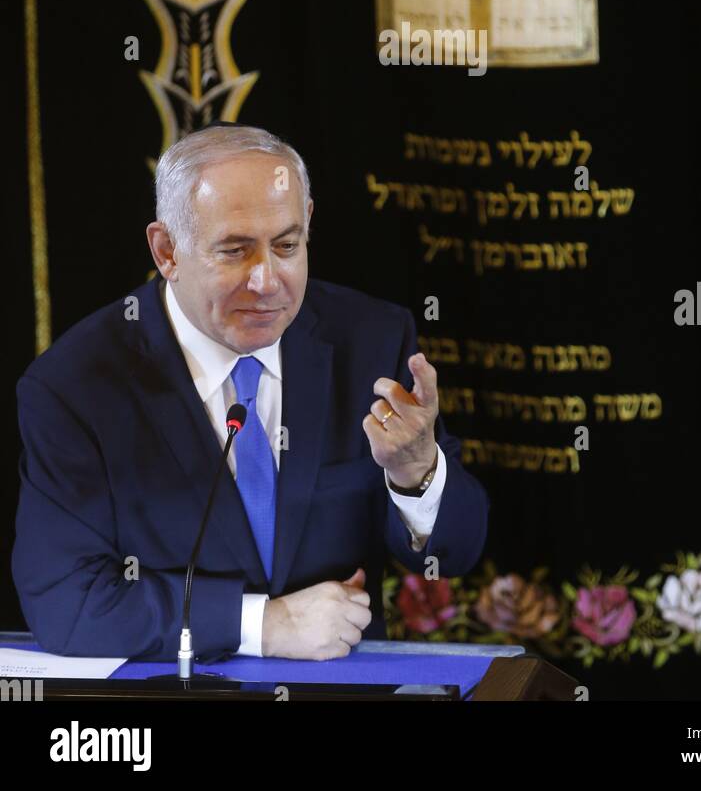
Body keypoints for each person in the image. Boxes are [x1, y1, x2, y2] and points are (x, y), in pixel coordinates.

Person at [12, 124, 489, 661]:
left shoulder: (370, 340)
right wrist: (263, 624)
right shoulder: (75, 387)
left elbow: (454, 554)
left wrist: (416, 470)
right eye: (235, 251)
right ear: (167, 250)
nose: (266, 281)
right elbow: (65, 601)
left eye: (286, 246)